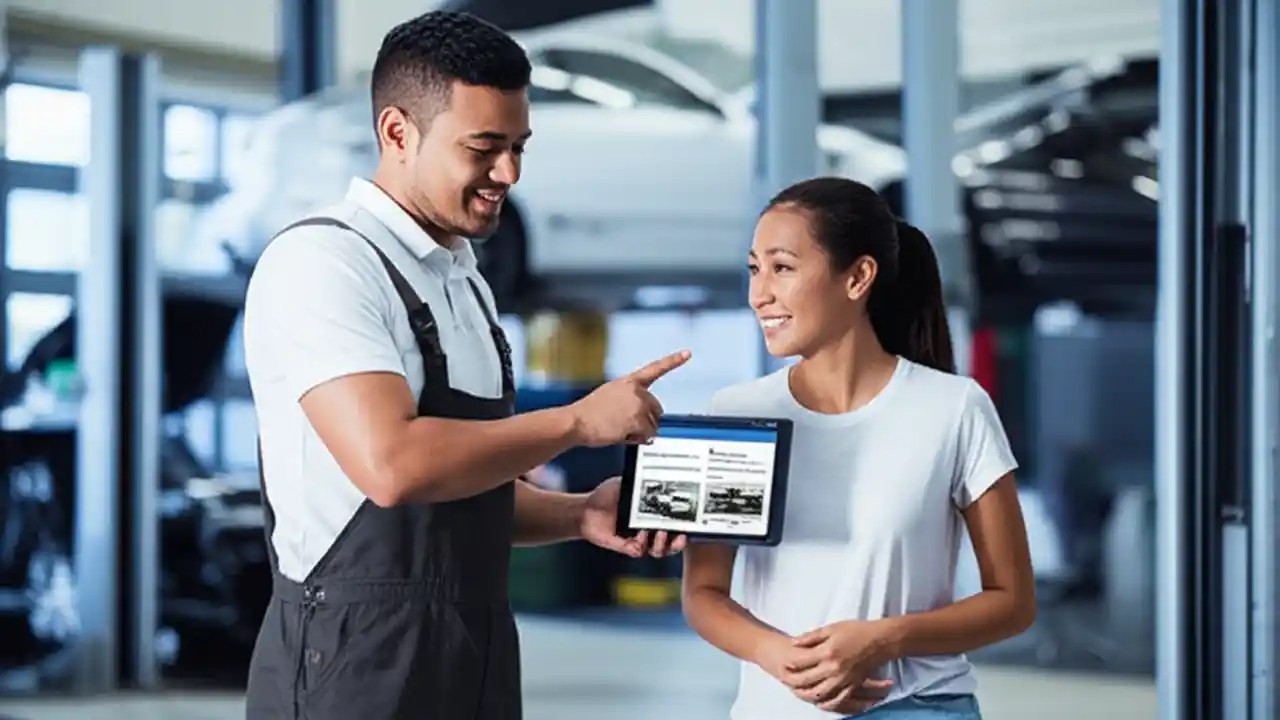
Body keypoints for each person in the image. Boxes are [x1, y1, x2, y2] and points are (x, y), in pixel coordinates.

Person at [240, 11, 689, 720]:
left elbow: (458, 497)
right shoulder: (323, 265)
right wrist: (577, 421)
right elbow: (394, 466)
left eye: (518, 148)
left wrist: (578, 514)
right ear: (397, 132)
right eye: (483, 148)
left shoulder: (464, 280)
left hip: (473, 646)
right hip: (353, 654)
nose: (507, 174)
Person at [681, 177, 1036, 720]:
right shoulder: (736, 412)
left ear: (858, 277)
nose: (759, 294)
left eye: (782, 267)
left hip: (919, 706)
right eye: (754, 269)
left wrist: (885, 639)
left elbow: (1012, 601)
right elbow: (704, 591)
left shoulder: (954, 407)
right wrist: (776, 654)